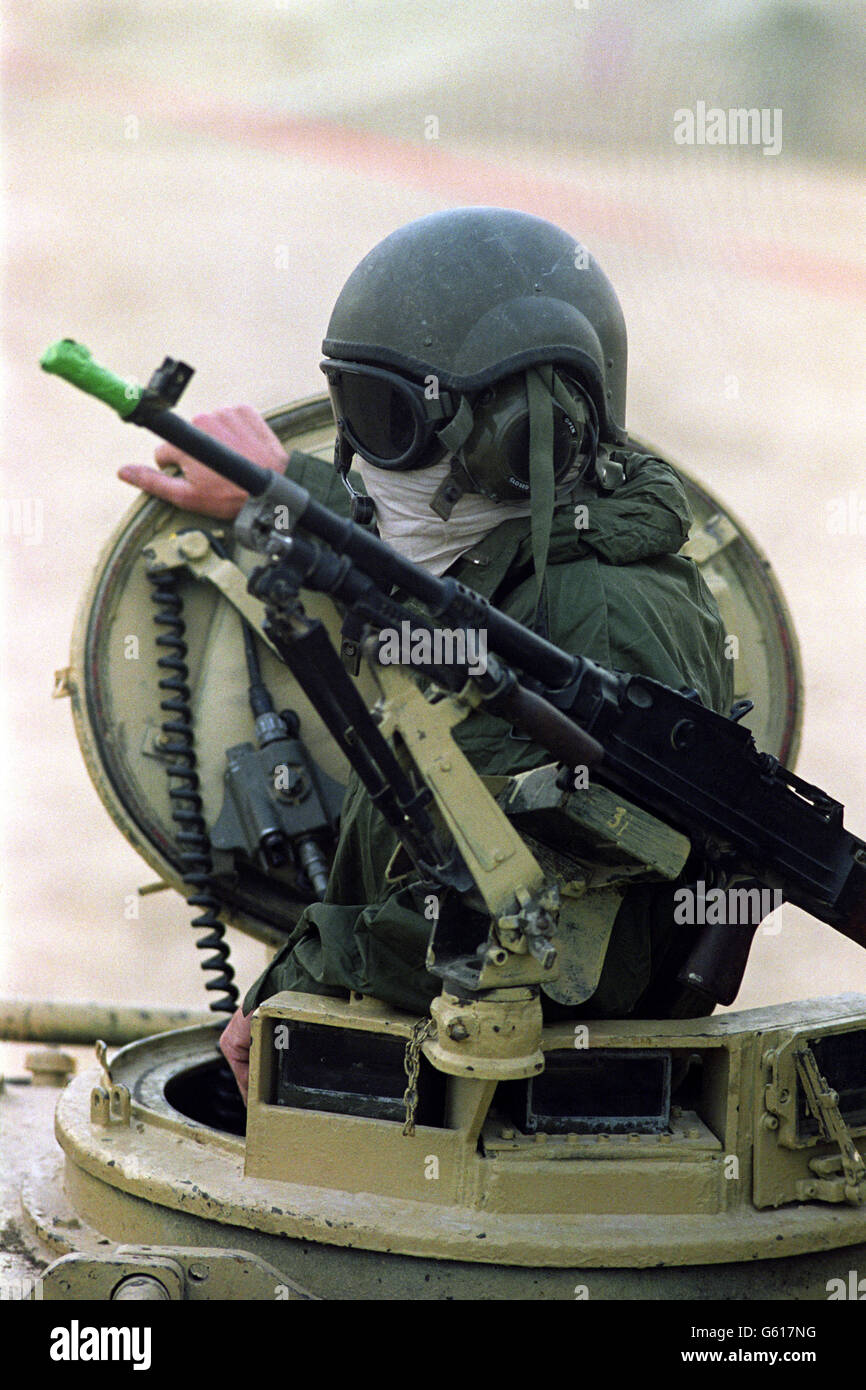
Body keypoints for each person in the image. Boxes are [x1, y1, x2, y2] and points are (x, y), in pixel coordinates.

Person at [118, 207, 733, 1102]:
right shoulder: (538, 569)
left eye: (385, 418)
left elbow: (507, 924)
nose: (362, 459)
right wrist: (279, 494)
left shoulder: (599, 616)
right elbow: (440, 589)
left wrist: (293, 989)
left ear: (517, 433)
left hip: (520, 1095)